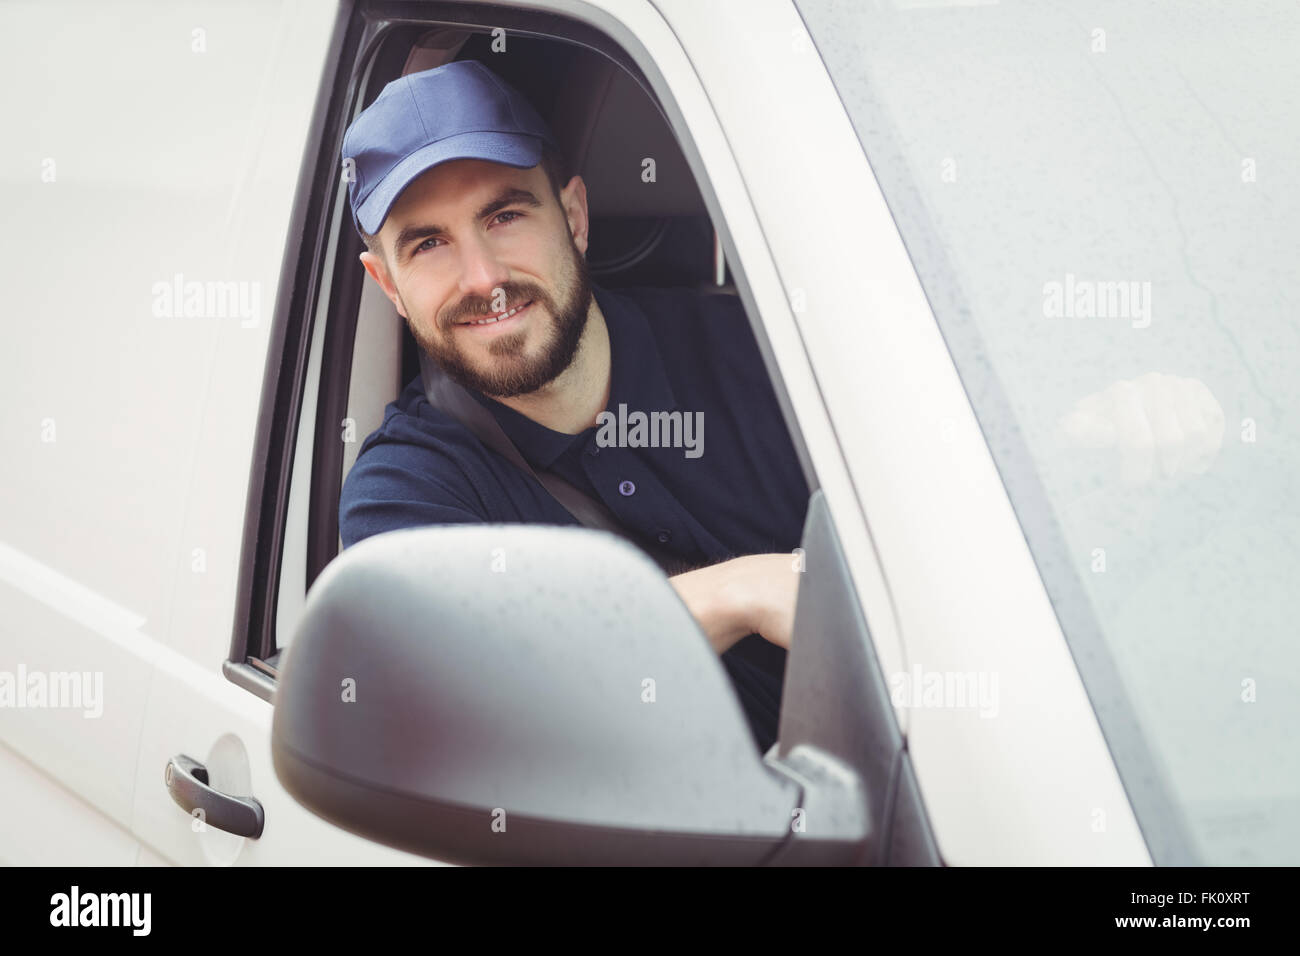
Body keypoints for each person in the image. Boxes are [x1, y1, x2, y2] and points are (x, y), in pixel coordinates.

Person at [337, 59, 809, 754]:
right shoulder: (407, 496)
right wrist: (744, 591)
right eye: (429, 243)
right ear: (390, 286)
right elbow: (473, 695)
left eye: (504, 215)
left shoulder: (774, 360)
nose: (484, 278)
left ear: (576, 217)